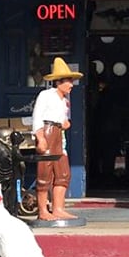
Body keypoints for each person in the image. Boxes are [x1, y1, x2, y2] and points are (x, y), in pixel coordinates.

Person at [31, 57, 83, 221]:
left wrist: (64, 124)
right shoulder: (46, 95)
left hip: (58, 134)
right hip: (47, 131)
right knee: (44, 171)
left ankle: (58, 208)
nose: (71, 85)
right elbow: (37, 116)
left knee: (63, 172)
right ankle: (42, 210)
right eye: (68, 81)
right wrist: (40, 136)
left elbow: (62, 120)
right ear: (59, 82)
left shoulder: (64, 101)